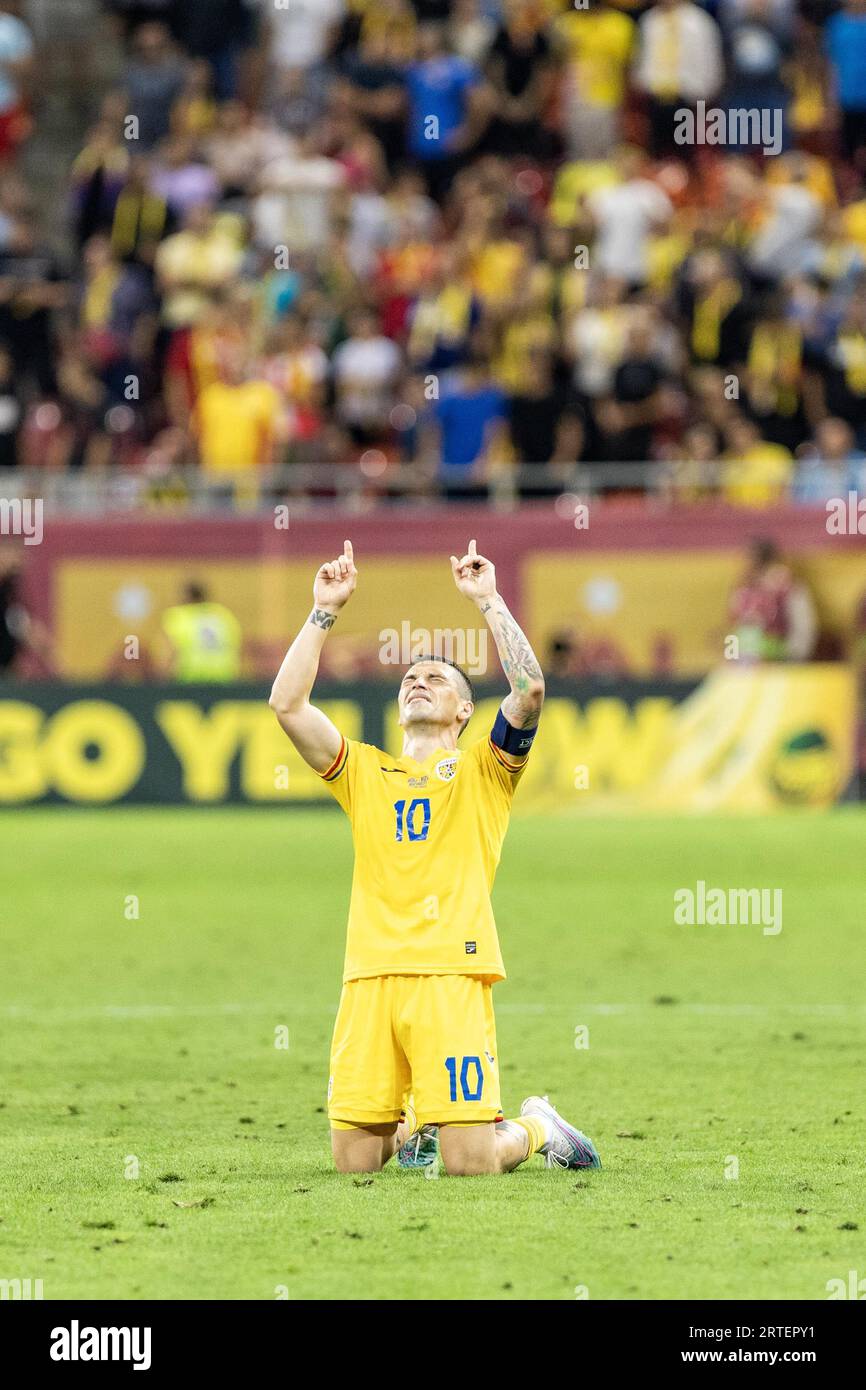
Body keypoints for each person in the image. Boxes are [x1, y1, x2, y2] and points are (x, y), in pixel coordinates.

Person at [268, 537, 601, 1176]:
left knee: (470, 1164)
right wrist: (322, 612)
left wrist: (489, 600)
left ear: (464, 709)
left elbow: (530, 689)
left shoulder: (486, 769)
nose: (418, 682)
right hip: (369, 973)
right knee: (355, 1165)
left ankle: (536, 1126)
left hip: (450, 970)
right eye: (410, 678)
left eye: (436, 679)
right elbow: (287, 705)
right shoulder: (364, 770)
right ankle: (420, 1119)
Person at [160, 580, 242, 681]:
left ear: (186, 596)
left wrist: (163, 676)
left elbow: (170, 651)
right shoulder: (223, 615)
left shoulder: (178, 616)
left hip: (190, 678)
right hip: (224, 677)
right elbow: (235, 645)